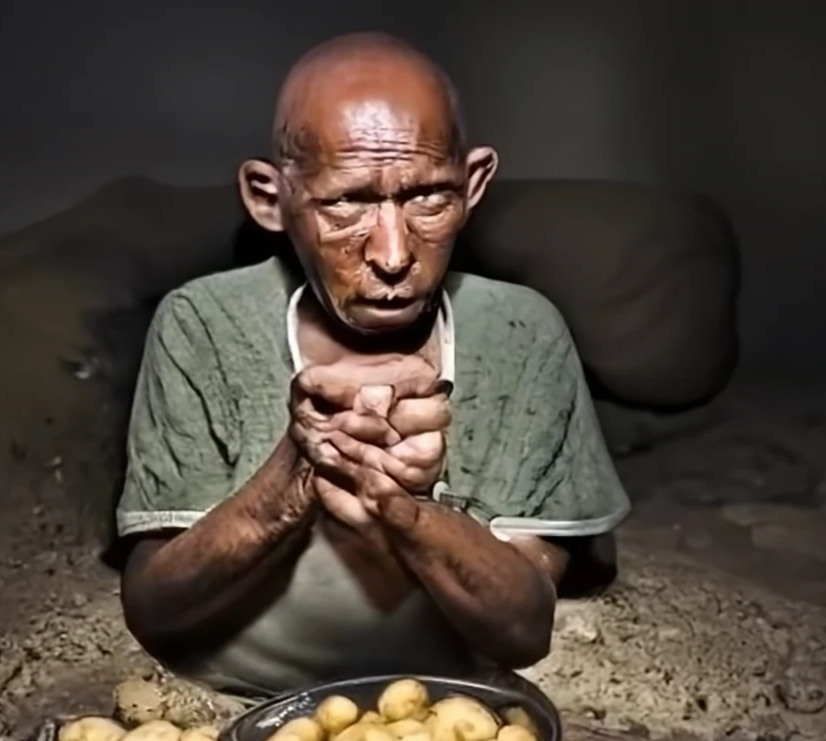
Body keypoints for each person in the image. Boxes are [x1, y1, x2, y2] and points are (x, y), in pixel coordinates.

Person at [116, 33, 629, 692]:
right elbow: (154, 610)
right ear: (269, 198)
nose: (392, 254)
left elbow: (523, 630)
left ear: (474, 186)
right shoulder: (204, 324)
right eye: (346, 203)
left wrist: (409, 513)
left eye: (428, 199)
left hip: (443, 715)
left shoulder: (520, 333)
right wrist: (294, 477)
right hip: (237, 708)